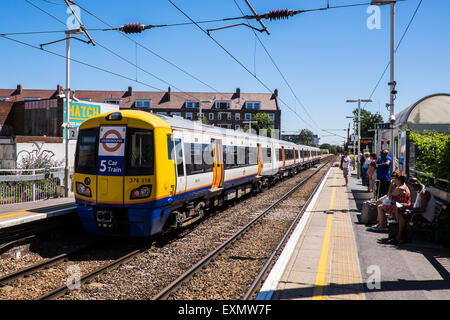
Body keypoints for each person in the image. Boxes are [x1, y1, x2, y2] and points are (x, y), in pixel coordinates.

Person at [396, 177, 437, 243]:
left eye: (411, 187)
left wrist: (407, 208)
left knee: (403, 215)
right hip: (421, 214)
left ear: (414, 186)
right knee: (400, 210)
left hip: (426, 217)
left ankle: (400, 237)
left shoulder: (424, 193)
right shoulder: (420, 190)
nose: (412, 189)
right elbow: (417, 206)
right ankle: (400, 235)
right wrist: (406, 205)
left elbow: (422, 210)